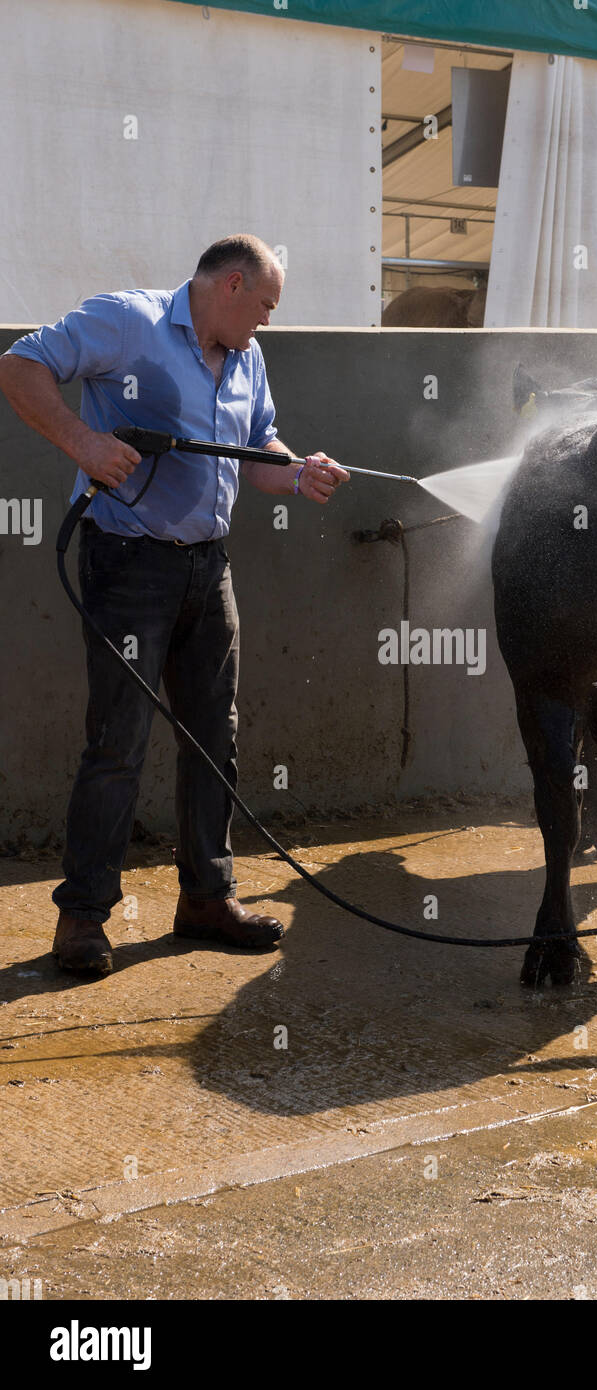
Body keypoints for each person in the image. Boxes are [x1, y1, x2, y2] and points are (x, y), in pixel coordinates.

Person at [0, 234, 349, 976]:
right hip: (127, 561)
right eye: (263, 306)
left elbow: (260, 451)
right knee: (118, 743)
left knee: (213, 740)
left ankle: (205, 899)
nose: (266, 323)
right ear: (230, 285)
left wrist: (299, 475)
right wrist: (84, 444)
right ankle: (84, 918)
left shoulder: (246, 357)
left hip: (207, 568)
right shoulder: (128, 322)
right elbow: (19, 365)